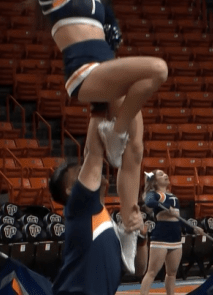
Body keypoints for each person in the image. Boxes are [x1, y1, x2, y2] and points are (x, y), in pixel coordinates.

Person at [33, 0, 166, 268]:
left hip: (108, 75)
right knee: (156, 70)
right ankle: (117, 129)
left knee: (135, 153)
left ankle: (128, 223)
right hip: (84, 75)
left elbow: (111, 38)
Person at [48, 117, 144, 295]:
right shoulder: (79, 207)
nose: (87, 171)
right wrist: (98, 106)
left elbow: (139, 269)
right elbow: (92, 153)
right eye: (79, 172)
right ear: (71, 190)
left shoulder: (105, 222)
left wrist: (142, 235)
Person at [140, 169, 204, 295]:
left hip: (176, 238)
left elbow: (178, 219)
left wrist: (193, 228)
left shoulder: (173, 197)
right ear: (154, 181)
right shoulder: (156, 194)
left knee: (172, 273)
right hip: (161, 237)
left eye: (165, 173)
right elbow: (149, 202)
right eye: (161, 174)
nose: (165, 175)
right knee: (152, 272)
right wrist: (164, 207)